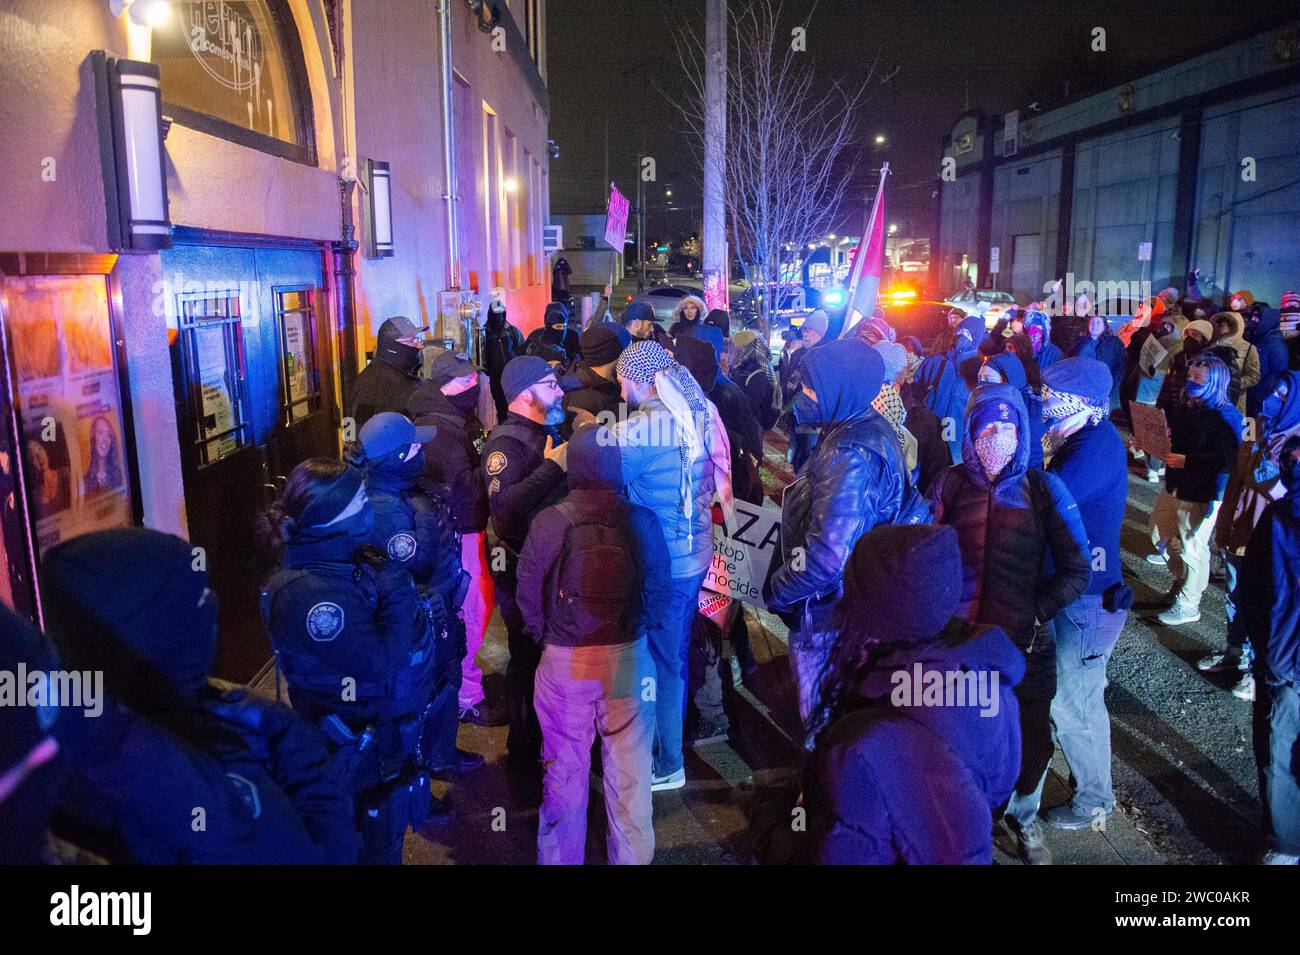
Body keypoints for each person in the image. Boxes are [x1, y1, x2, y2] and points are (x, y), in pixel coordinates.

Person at [42, 527, 360, 864]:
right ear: (156, 632)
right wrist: (306, 765)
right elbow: (321, 854)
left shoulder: (61, 748)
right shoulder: (212, 772)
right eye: (200, 596)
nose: (214, 602)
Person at [929, 383, 1092, 863]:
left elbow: (1077, 569)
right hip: (960, 644)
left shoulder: (1045, 489)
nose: (996, 435)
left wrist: (1035, 610)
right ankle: (966, 817)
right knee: (960, 737)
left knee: (1032, 744)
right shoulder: (950, 484)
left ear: (1022, 430)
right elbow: (924, 550)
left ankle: (1023, 817)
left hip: (1025, 646)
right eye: (986, 425)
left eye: (1007, 425)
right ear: (971, 428)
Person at [799, 524, 1024, 864]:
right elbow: (997, 785)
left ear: (869, 622)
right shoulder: (990, 677)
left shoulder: (860, 748)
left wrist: (772, 822)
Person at [259, 459, 438, 863]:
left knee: (384, 835)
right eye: (359, 499)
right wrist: (396, 590)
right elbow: (380, 662)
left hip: (375, 741)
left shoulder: (339, 560)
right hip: (349, 748)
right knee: (365, 846)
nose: (367, 505)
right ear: (333, 515)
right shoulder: (310, 596)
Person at [517, 424, 670, 865]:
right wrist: (641, 629)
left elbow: (529, 591)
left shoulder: (549, 521)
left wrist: (547, 636)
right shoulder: (641, 520)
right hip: (628, 656)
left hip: (565, 660)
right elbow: (660, 588)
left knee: (564, 770)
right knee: (632, 772)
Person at [765, 340, 926, 732]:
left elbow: (827, 557)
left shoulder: (849, 453)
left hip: (829, 614)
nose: (801, 396)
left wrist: (777, 592)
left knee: (825, 724)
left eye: (810, 388)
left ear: (841, 389)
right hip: (849, 605)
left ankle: (820, 787)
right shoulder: (861, 428)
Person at [610, 339, 732, 791]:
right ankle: (671, 744)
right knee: (675, 656)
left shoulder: (646, 427)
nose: (621, 394)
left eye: (624, 383)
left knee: (661, 663)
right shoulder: (696, 408)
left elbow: (598, 472)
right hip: (695, 553)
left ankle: (666, 762)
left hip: (665, 562)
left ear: (643, 381)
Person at [354, 412, 483, 779]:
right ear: (397, 457)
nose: (421, 451)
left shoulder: (404, 490)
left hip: (438, 610)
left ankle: (441, 755)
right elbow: (408, 569)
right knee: (417, 700)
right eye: (413, 446)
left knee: (446, 682)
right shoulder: (386, 510)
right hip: (416, 620)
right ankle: (415, 785)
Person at [1036, 358, 1132, 831]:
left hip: (1088, 601)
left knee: (1076, 704)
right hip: (1079, 596)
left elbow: (1045, 503)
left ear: (1078, 403)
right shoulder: (1081, 439)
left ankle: (1095, 801)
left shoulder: (1092, 449)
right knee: (1071, 697)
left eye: (1051, 395)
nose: (1043, 402)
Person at [483, 355, 570, 783]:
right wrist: (555, 467)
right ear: (524, 394)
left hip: (542, 564)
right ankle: (523, 756)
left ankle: (543, 745)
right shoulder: (506, 444)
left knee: (542, 658)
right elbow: (505, 510)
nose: (560, 390)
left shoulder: (541, 430)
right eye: (551, 384)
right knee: (526, 659)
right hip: (518, 568)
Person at [407, 350, 501, 726]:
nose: (473, 385)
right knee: (470, 611)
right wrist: (494, 477)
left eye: (474, 378)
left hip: (463, 533)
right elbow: (461, 490)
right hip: (460, 534)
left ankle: (460, 687)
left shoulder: (453, 419)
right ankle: (466, 696)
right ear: (444, 386)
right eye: (465, 381)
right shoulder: (442, 432)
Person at [1211, 372, 1300, 701]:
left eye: (1282, 394)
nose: (1271, 399)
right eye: (1274, 390)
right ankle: (1233, 652)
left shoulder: (1296, 442)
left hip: (1269, 538)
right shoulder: (1257, 428)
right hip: (1240, 526)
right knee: (1234, 598)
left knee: (1262, 603)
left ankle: (1254, 670)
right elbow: (1239, 474)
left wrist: (1274, 485)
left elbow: (1291, 498)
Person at [1239, 434, 1300, 865]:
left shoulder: (1281, 517)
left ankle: (1285, 841)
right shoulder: (1280, 517)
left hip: (1285, 660)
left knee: (1281, 750)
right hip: (1285, 659)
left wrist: (1268, 651)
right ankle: (1286, 839)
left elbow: (1254, 592)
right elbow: (1255, 589)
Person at [1148, 354, 1243, 626]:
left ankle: (1189, 602)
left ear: (1214, 382)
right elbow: (1175, 441)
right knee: (1159, 531)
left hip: (1203, 491)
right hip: (1177, 484)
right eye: (1190, 376)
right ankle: (1186, 581)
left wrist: (1188, 461)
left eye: (1197, 378)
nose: (1190, 381)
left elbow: (1230, 460)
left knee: (1193, 548)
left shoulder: (1226, 416)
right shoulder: (1188, 407)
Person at [916, 308, 986, 463]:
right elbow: (917, 382)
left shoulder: (981, 370)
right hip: (933, 428)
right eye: (961, 332)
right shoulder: (939, 360)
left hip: (960, 438)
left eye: (968, 334)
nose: (962, 337)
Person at [353, 316, 427, 429]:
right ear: (392, 345)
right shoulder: (372, 383)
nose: (420, 345)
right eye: (412, 341)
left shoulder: (403, 373)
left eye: (418, 339)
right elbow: (361, 432)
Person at [979, 349, 1047, 470]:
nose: (981, 384)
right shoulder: (992, 405)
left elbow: (1032, 468)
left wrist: (1032, 439)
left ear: (1008, 380)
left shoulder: (1028, 411)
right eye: (980, 377)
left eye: (988, 379)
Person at [779, 309, 830, 471]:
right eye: (804, 330)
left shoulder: (826, 355)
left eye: (810, 330)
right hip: (795, 415)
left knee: (809, 459)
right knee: (795, 454)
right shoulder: (798, 354)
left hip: (813, 420)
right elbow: (787, 382)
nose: (805, 334)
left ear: (820, 333)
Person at [562, 322, 630, 436]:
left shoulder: (610, 382)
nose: (632, 356)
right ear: (615, 354)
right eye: (629, 351)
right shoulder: (583, 400)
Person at [483, 292, 524, 422]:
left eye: (501, 314)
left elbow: (522, 349)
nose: (499, 317)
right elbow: (480, 353)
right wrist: (486, 368)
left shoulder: (512, 331)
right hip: (495, 376)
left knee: (514, 406)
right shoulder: (484, 333)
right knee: (501, 408)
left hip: (512, 375)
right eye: (496, 314)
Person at [1072, 314, 1127, 409]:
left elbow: (1120, 367)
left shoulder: (1114, 343)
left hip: (1104, 391)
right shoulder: (1080, 341)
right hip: (1081, 390)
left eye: (1098, 322)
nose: (1094, 325)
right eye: (1092, 322)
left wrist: (1111, 387)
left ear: (1104, 326)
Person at [1246, 302, 1291, 418]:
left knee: (1250, 427)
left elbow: (1278, 373)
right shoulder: (1257, 338)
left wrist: (1259, 393)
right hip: (1249, 391)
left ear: (1266, 321)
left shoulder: (1276, 345)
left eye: (1256, 319)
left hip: (1258, 397)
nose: (1252, 322)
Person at [1211, 310, 1261, 414]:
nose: (1220, 328)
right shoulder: (1213, 345)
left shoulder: (1248, 348)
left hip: (1235, 401)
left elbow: (1254, 376)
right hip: (1212, 398)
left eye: (1224, 325)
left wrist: (1233, 384)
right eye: (1219, 325)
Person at [731, 329, 780, 432]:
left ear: (745, 349)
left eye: (736, 349)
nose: (733, 353)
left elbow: (752, 412)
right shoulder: (744, 369)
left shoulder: (758, 375)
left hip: (750, 433)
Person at [524, 303, 581, 369]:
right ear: (548, 325)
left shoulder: (574, 337)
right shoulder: (535, 337)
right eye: (558, 326)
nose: (562, 330)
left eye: (564, 327)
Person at [82, 415, 122, 495]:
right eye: (100, 432)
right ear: (93, 438)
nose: (105, 439)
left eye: (108, 434)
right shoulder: (85, 482)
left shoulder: (116, 475)